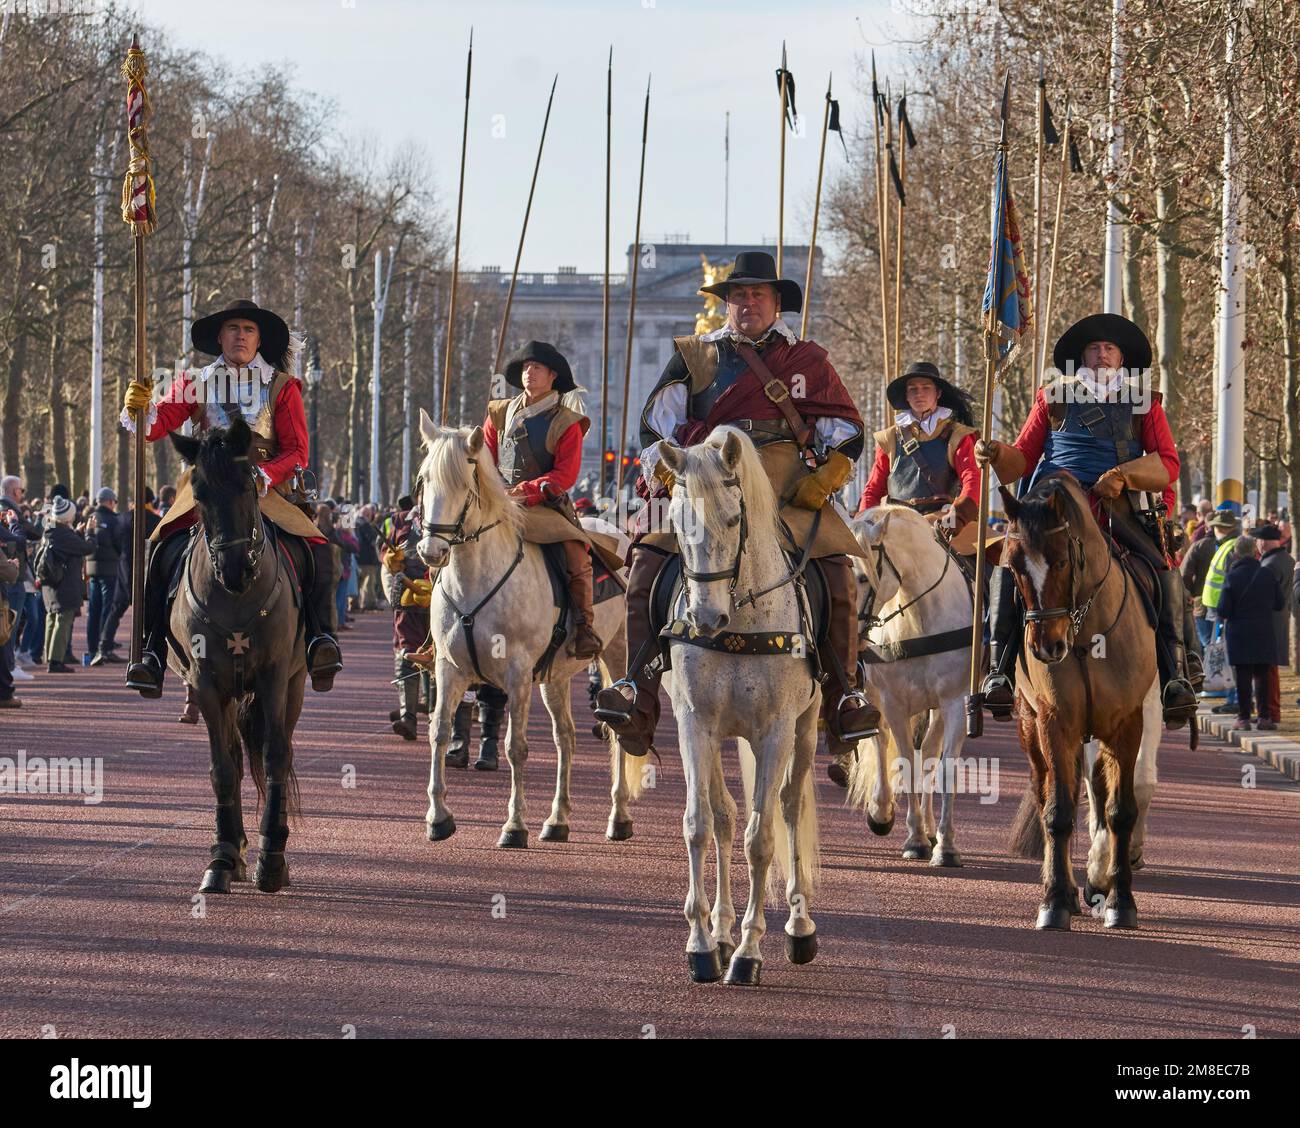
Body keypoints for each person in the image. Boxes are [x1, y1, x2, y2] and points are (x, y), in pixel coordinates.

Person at [592, 250, 878, 781]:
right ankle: (636, 686)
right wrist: (677, 477)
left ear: (775, 303)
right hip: (707, 486)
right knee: (648, 566)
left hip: (785, 489)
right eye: (738, 295)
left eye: (757, 295)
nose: (747, 303)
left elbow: (848, 434)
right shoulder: (694, 355)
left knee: (837, 575)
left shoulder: (808, 361)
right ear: (726, 304)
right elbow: (656, 428)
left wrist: (825, 479)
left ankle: (844, 698)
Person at [974, 312, 1199, 727]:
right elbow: (1023, 456)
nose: (1101, 354)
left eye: (1109, 348)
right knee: (1010, 563)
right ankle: (998, 669)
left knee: (1161, 567)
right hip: (1052, 506)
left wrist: (1124, 475)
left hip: (1114, 507)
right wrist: (994, 454)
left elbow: (1168, 462)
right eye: (1094, 348)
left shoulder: (1144, 401)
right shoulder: (1052, 396)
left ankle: (1176, 675)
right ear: (1082, 357)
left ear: (1121, 358)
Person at [119, 299, 341, 696]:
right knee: (158, 548)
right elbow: (155, 427)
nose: (240, 335)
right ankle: (151, 649)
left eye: (248, 329)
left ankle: (319, 638)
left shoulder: (281, 386)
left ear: (259, 340)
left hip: (263, 486)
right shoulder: (192, 381)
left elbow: (297, 452)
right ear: (219, 336)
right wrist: (139, 409)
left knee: (319, 549)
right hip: (208, 483)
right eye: (233, 328)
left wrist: (263, 474)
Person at [481, 340, 606, 660]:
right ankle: (435, 634)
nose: (529, 373)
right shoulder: (498, 412)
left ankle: (583, 626)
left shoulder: (567, 421)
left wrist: (527, 491)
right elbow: (484, 458)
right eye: (524, 368)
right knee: (452, 542)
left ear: (553, 376)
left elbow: (564, 475)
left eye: (536, 368)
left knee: (575, 552)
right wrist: (492, 489)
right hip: (497, 502)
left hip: (543, 506)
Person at [855, 361, 981, 544]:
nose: (919, 393)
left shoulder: (958, 435)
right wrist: (864, 521)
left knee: (990, 559)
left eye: (926, 387)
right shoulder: (890, 438)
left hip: (943, 521)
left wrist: (959, 515)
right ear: (906, 396)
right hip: (896, 523)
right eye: (912, 389)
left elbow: (972, 479)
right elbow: (873, 490)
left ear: (938, 393)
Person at [1218, 535, 1283, 730]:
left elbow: (1223, 610)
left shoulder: (1232, 577)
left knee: (1243, 676)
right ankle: (1264, 717)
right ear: (1255, 552)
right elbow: (1279, 604)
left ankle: (1244, 718)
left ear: (1236, 554)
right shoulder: (1267, 574)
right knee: (1263, 675)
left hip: (1239, 633)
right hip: (1263, 631)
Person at [92, 486, 161, 666]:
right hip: (146, 570)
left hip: (124, 568)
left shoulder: (120, 519)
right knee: (146, 613)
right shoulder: (155, 520)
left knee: (116, 610)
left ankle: (103, 647)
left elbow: (115, 544)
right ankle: (138, 651)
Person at [38, 495, 96, 673]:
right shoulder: (63, 534)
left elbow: (68, 546)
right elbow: (87, 548)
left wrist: (76, 533)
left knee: (51, 618)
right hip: (65, 583)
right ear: (68, 517)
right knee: (63, 620)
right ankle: (56, 660)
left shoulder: (51, 529)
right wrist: (90, 533)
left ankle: (49, 656)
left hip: (51, 582)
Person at [1181, 507, 1239, 651]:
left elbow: (1184, 574)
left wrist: (1189, 594)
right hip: (1230, 607)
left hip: (1202, 604)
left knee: (1207, 644)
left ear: (1215, 527)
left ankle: (1206, 671)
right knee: (1223, 644)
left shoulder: (1200, 546)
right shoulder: (1239, 546)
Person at [1254, 522, 1293, 729]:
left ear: (1265, 542)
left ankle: (1270, 712)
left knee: (1267, 671)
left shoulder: (1269, 565)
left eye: (1259, 540)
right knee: (1271, 670)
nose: (1257, 544)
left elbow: (1263, 597)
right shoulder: (1286, 559)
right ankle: (1269, 711)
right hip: (1279, 620)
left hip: (1267, 622)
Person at [84, 486, 124, 664]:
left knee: (94, 609)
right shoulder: (114, 520)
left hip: (92, 570)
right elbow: (119, 544)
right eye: (114, 502)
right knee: (108, 609)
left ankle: (92, 648)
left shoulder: (90, 518)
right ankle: (104, 647)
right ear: (110, 502)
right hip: (109, 570)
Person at [355, 504, 381, 611]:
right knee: (368, 583)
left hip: (357, 557)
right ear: (367, 514)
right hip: (368, 558)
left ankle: (354, 604)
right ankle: (368, 604)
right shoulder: (365, 524)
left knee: (358, 583)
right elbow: (372, 540)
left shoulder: (354, 522)